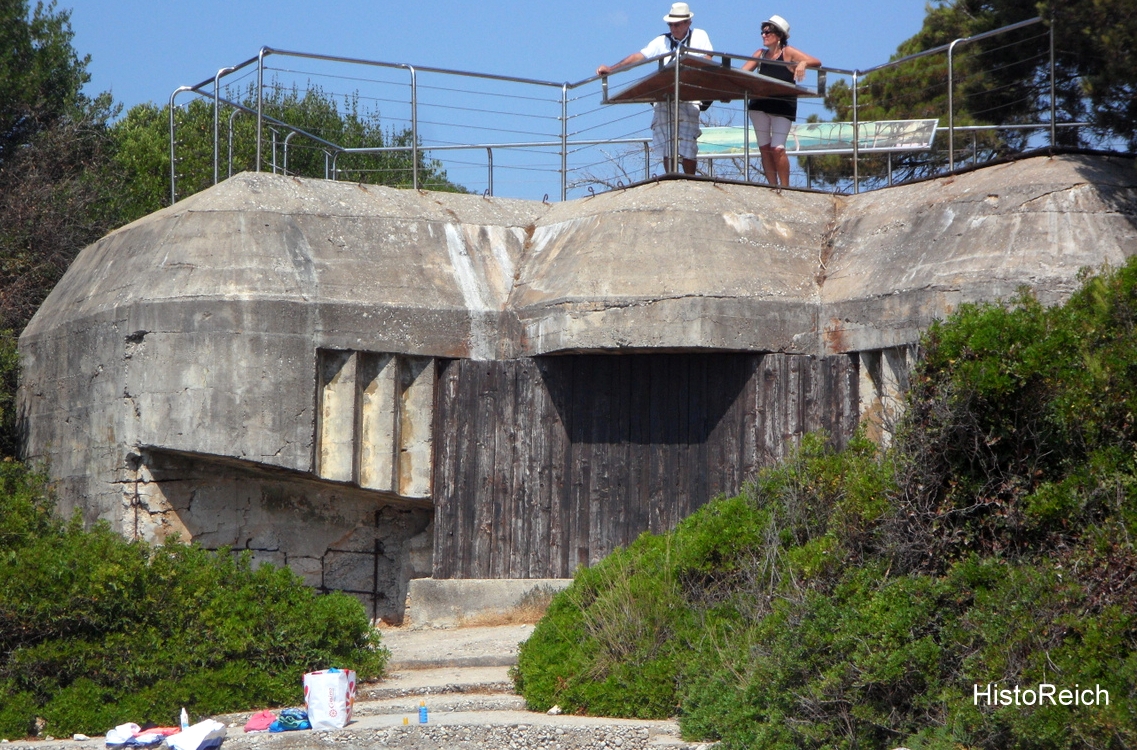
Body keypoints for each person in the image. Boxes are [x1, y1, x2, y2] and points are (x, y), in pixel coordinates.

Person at [596, 2, 713, 175]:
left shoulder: (700, 36)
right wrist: (612, 69)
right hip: (664, 96)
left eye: (677, 24)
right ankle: (671, 179)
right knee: (666, 141)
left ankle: (690, 180)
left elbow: (708, 59)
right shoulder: (662, 41)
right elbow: (639, 57)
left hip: (689, 95)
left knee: (688, 141)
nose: (673, 28)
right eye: (670, 24)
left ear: (688, 23)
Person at [741, 15, 821, 186]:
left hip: (783, 105)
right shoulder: (760, 54)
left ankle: (785, 188)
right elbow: (741, 73)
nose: (764, 35)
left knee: (777, 148)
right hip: (759, 105)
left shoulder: (788, 52)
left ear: (779, 35)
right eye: (762, 32)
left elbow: (816, 61)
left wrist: (802, 64)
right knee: (764, 148)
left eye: (768, 32)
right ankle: (772, 186)